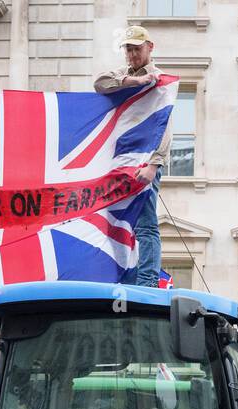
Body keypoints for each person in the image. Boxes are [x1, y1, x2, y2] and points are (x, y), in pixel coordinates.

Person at [94, 25, 171, 288]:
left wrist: (153, 165)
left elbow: (165, 127)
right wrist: (133, 82)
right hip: (119, 162)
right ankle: (122, 276)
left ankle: (148, 282)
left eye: (137, 49)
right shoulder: (122, 76)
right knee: (114, 221)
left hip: (144, 162)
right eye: (128, 49)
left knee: (146, 225)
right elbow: (99, 83)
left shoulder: (160, 81)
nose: (132, 54)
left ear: (150, 48)